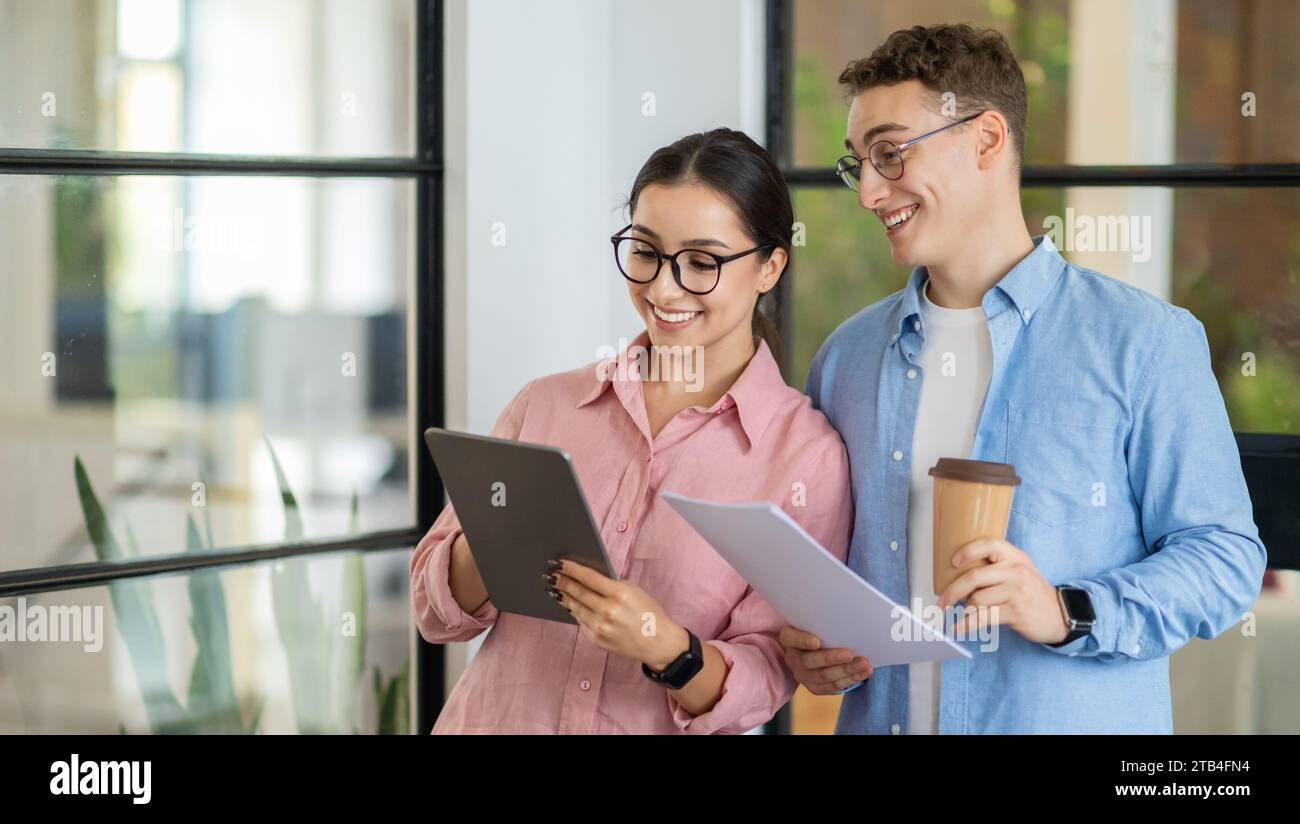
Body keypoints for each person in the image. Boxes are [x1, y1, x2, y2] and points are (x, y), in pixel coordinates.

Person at [781, 23, 1266, 734]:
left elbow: (1225, 559)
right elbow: (823, 570)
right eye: (858, 164)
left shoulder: (1145, 342)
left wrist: (1067, 608)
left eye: (890, 154)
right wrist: (810, 646)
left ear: (986, 140)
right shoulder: (846, 358)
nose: (868, 194)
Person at [411, 128, 854, 733]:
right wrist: (496, 542)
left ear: (770, 266)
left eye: (702, 262)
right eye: (645, 252)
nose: (664, 288)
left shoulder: (805, 459)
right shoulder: (546, 405)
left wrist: (665, 645)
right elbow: (435, 614)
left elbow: (768, 676)